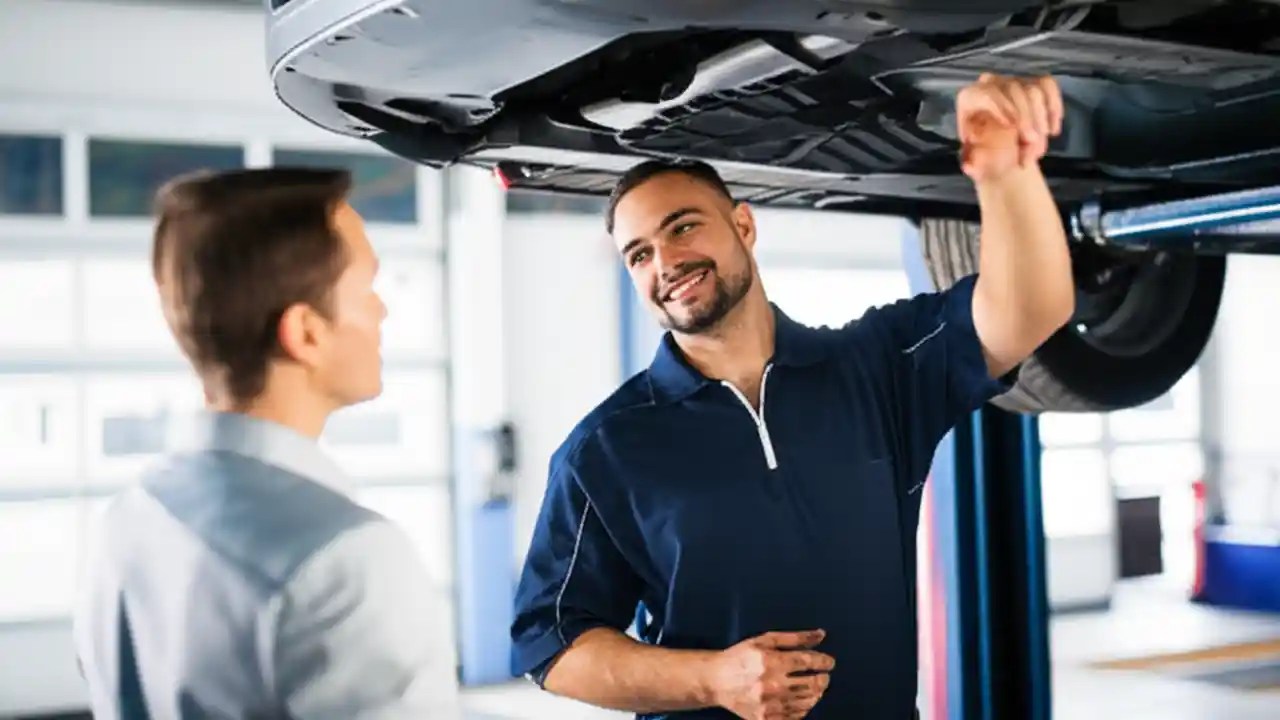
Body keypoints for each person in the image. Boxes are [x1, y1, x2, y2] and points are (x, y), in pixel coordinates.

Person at [510, 73, 1073, 719]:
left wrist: (1004, 172)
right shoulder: (606, 448)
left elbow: (1031, 311)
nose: (665, 262)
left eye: (683, 227)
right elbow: (550, 645)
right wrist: (713, 680)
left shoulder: (877, 366)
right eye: (639, 254)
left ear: (744, 226)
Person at [72, 168, 460, 719]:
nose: (382, 310)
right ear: (305, 332)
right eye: (368, 286)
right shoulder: (346, 561)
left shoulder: (128, 518)